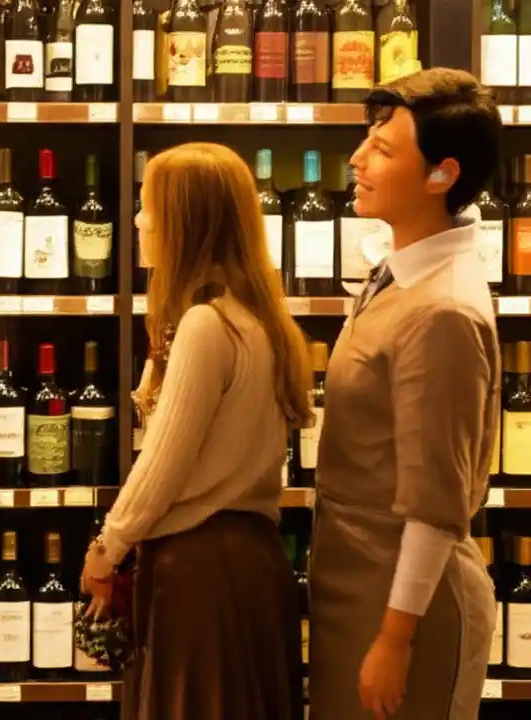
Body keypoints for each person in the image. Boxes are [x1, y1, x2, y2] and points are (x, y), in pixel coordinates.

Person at [79, 142, 311, 720]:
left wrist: (108, 548)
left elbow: (163, 463)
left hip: (202, 571)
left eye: (149, 206)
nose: (136, 219)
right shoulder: (254, 319)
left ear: (188, 221)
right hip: (248, 564)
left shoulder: (209, 327)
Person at [309, 68, 501, 720]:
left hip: (404, 607)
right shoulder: (398, 271)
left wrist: (396, 638)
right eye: (367, 139)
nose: (358, 158)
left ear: (442, 175)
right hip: (359, 588)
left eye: (384, 150)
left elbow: (434, 502)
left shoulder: (442, 310)